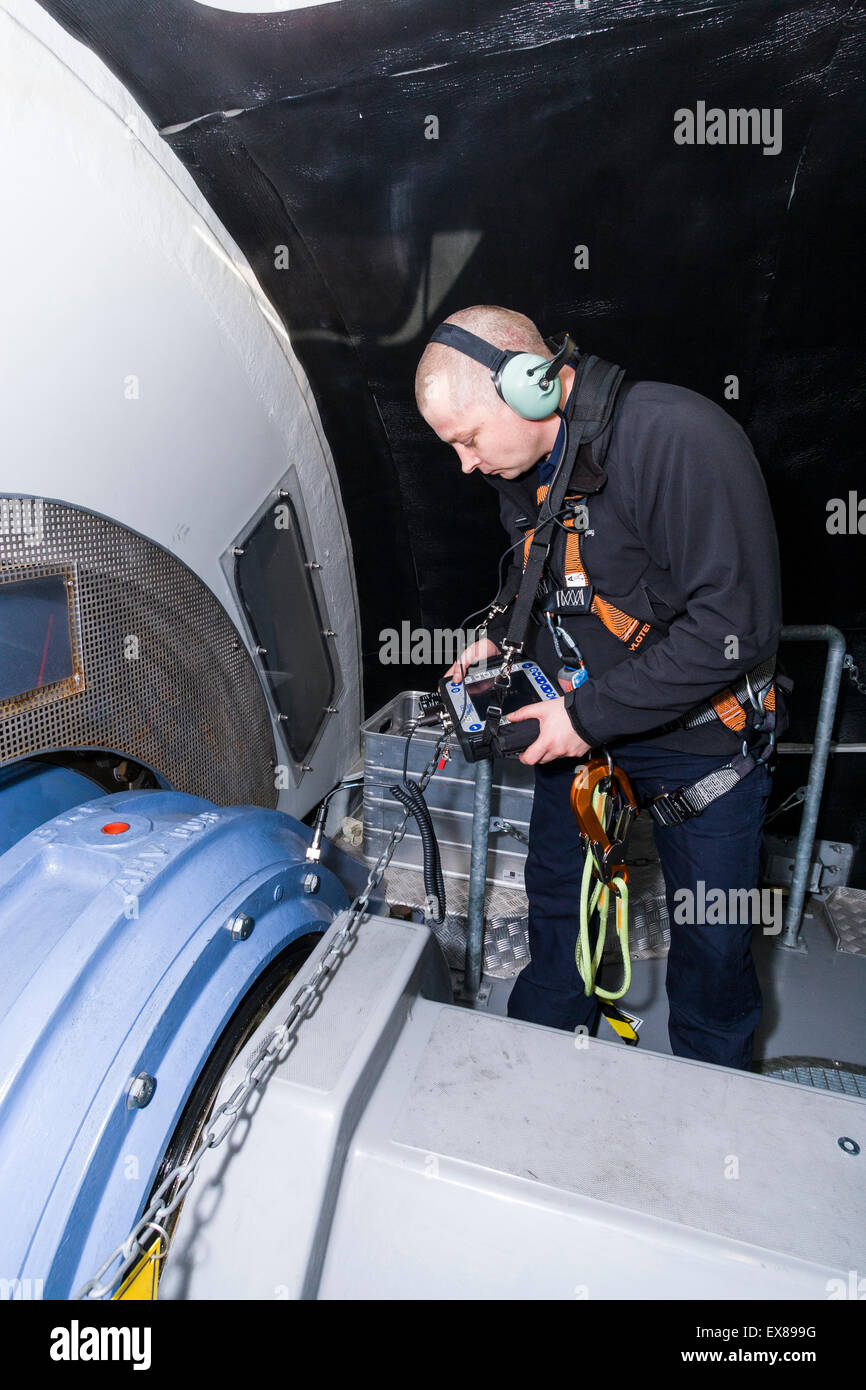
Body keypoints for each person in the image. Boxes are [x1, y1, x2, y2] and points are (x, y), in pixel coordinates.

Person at [414, 304, 785, 1071]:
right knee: (559, 925)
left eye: (468, 439)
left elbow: (735, 628)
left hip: (701, 753)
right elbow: (551, 568)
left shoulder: (680, 440)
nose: (466, 464)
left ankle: (709, 1123)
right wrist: (503, 637)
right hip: (582, 737)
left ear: (530, 385)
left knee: (713, 956)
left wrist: (584, 717)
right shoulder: (526, 464)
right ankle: (537, 1083)